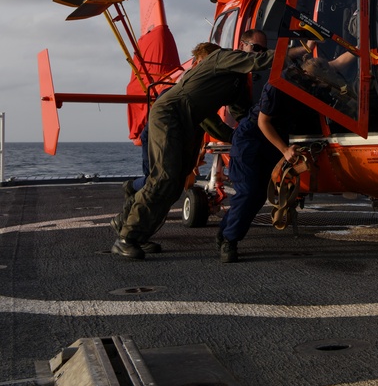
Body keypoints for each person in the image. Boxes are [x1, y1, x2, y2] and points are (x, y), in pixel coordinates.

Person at [111, 30, 274, 260]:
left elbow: (243, 115)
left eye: (263, 49)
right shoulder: (221, 58)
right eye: (255, 48)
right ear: (242, 46)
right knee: (164, 178)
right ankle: (126, 237)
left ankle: (137, 233)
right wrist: (292, 53)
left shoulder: (236, 85)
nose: (259, 54)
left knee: (175, 183)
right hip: (170, 116)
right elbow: (256, 63)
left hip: (186, 124)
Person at [216, 58, 323, 263]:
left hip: (272, 142)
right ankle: (230, 241)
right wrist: (284, 150)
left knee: (256, 196)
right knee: (248, 191)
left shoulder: (307, 84)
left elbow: (340, 63)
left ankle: (224, 232)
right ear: (306, 71)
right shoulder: (278, 84)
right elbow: (263, 122)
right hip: (251, 140)